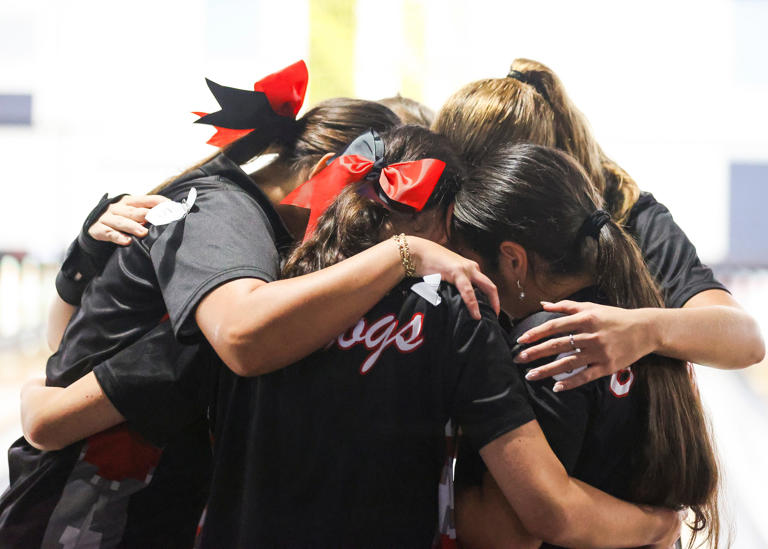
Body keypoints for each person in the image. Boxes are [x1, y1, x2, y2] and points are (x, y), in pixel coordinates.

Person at [21, 126, 682, 549]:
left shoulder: (248, 309)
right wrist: (657, 523)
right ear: (446, 221)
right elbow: (539, 513)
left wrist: (42, 359)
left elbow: (51, 417)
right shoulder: (456, 316)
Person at [1, 62, 493, 548]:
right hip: (82, 516)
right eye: (367, 209)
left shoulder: (260, 243)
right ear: (327, 172)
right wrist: (402, 254)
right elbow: (240, 336)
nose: (359, 233)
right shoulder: (225, 219)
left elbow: (66, 349)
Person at [433, 58, 765, 389]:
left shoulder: (626, 212)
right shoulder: (442, 215)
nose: (468, 209)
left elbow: (745, 340)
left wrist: (646, 329)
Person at [450, 143, 720, 549]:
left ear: (513, 261)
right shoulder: (640, 314)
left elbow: (508, 533)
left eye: (467, 261)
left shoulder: (548, 340)